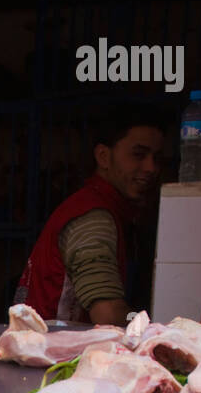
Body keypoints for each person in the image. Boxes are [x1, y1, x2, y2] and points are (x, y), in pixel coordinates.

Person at [15, 104, 166, 325]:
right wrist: (150, 322)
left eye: (157, 158)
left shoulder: (110, 210)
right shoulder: (93, 217)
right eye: (139, 155)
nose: (151, 167)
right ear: (103, 156)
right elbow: (107, 314)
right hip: (57, 351)